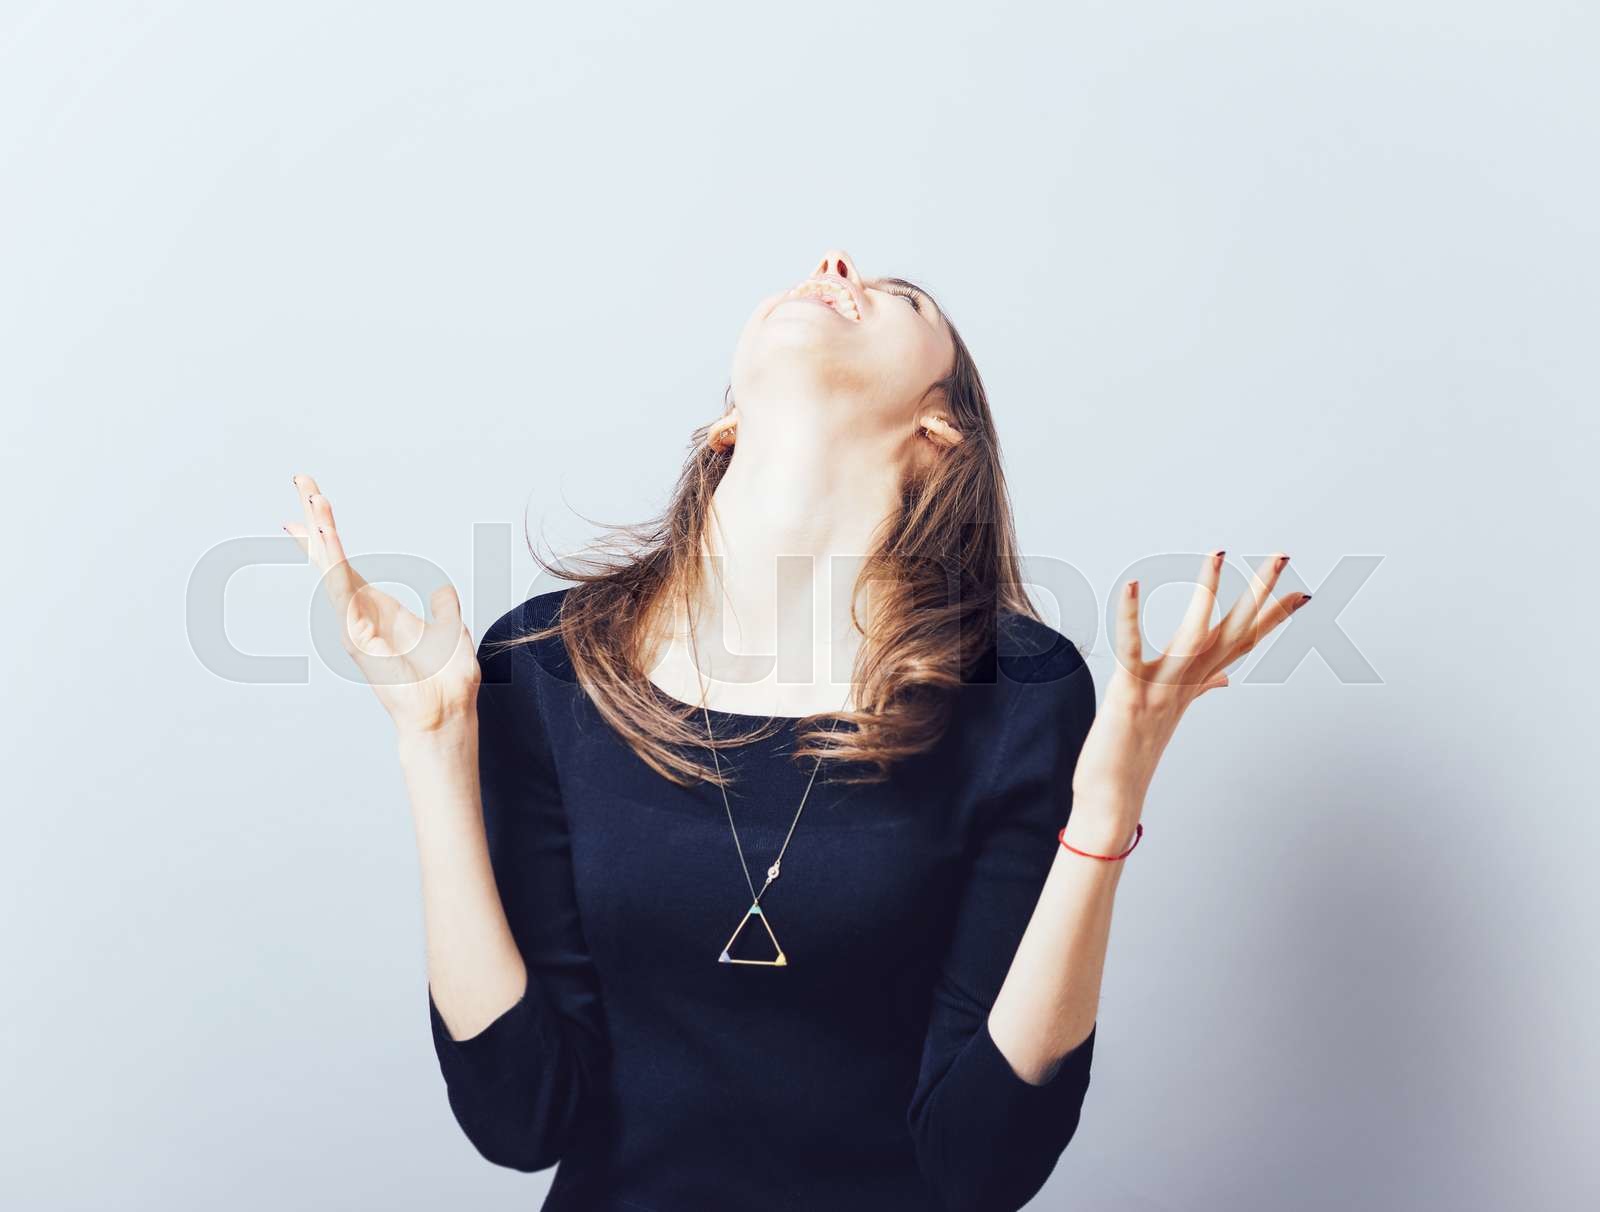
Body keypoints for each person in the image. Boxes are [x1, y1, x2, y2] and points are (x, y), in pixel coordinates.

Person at [283, 248, 1306, 1211]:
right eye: (829, 273)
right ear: (728, 420)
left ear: (938, 430)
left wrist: (1106, 809)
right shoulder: (545, 665)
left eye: (901, 299)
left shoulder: (1018, 691)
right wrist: (432, 735)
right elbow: (518, 1117)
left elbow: (983, 1159)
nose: (834, 268)